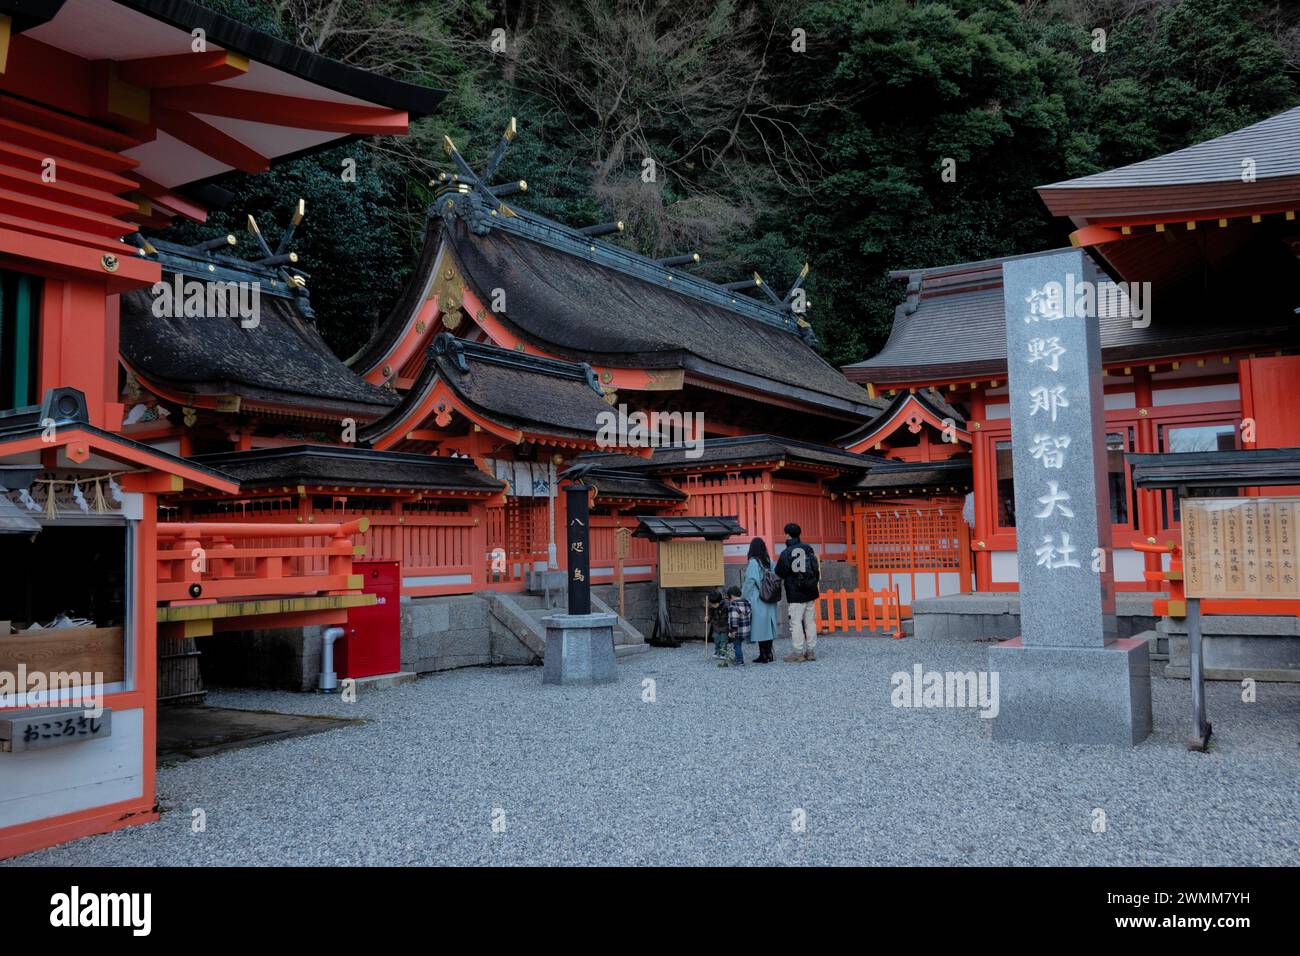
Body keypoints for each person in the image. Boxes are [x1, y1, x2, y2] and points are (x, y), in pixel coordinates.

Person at [774, 522, 821, 662]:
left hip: (795, 592)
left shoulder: (786, 552)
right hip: (810, 590)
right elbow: (815, 567)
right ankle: (811, 651)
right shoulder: (808, 548)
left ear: (787, 534)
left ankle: (798, 652)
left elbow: (779, 572)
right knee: (810, 622)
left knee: (796, 622)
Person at [742, 537, 779, 663]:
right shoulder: (770, 562)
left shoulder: (753, 562)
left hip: (759, 597)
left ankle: (763, 655)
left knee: (760, 627)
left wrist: (744, 597)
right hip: (770, 596)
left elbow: (750, 581)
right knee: (768, 626)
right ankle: (768, 654)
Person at [724, 584, 751, 666]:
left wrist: (733, 631)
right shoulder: (747, 603)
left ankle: (739, 660)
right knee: (738, 644)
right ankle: (738, 658)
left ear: (731, 596)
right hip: (746, 629)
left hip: (737, 630)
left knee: (737, 645)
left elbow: (734, 620)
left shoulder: (733, 606)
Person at [706, 589, 729, 660]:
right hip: (716, 626)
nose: (713, 606)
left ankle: (723, 652)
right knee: (716, 640)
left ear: (719, 601)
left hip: (724, 626)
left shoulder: (726, 605)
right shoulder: (712, 607)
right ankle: (717, 651)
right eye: (712, 604)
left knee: (723, 640)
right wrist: (708, 618)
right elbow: (710, 614)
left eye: (715, 604)